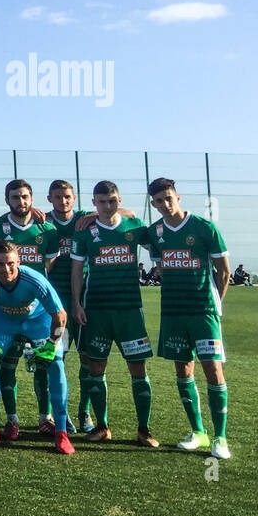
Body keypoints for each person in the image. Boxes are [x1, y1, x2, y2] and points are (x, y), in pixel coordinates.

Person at [0, 241, 74, 455]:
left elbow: (60, 315)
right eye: (0, 264)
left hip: (38, 321)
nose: (6, 269)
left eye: (11, 263)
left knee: (56, 365)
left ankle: (61, 432)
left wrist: (52, 345)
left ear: (19, 262)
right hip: (3, 321)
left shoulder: (34, 279)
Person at [147, 178, 232, 459]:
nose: (165, 204)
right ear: (153, 204)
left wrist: (214, 303)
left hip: (203, 312)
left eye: (168, 198)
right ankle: (198, 431)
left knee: (213, 370)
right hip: (173, 312)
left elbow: (224, 271)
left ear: (178, 197)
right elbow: (159, 267)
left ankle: (220, 437)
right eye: (159, 201)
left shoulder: (204, 228)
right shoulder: (155, 233)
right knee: (183, 370)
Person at [70, 181, 157, 446]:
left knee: (138, 370)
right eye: (102, 202)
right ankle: (102, 426)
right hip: (96, 309)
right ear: (94, 202)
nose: (108, 206)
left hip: (130, 310)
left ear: (119, 200)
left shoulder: (135, 227)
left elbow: (158, 244)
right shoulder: (85, 232)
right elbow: (76, 271)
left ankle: (144, 430)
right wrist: (76, 303)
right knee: (96, 367)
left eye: (113, 201)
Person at [0, 179, 59, 438]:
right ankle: (12, 420)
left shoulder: (47, 229)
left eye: (25, 197)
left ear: (32, 199)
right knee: (7, 365)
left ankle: (45, 417)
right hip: (5, 313)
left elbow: (49, 263)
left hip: (37, 313)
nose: (21, 202)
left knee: (42, 365)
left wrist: (30, 289)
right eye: (16, 197)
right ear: (8, 200)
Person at [46, 179, 93, 433]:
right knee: (56, 360)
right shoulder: (42, 222)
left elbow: (126, 213)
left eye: (67, 196)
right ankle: (55, 415)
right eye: (57, 196)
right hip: (54, 303)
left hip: (84, 301)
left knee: (87, 357)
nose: (62, 201)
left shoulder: (87, 219)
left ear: (74, 198)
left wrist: (97, 212)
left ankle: (84, 412)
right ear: (49, 199)